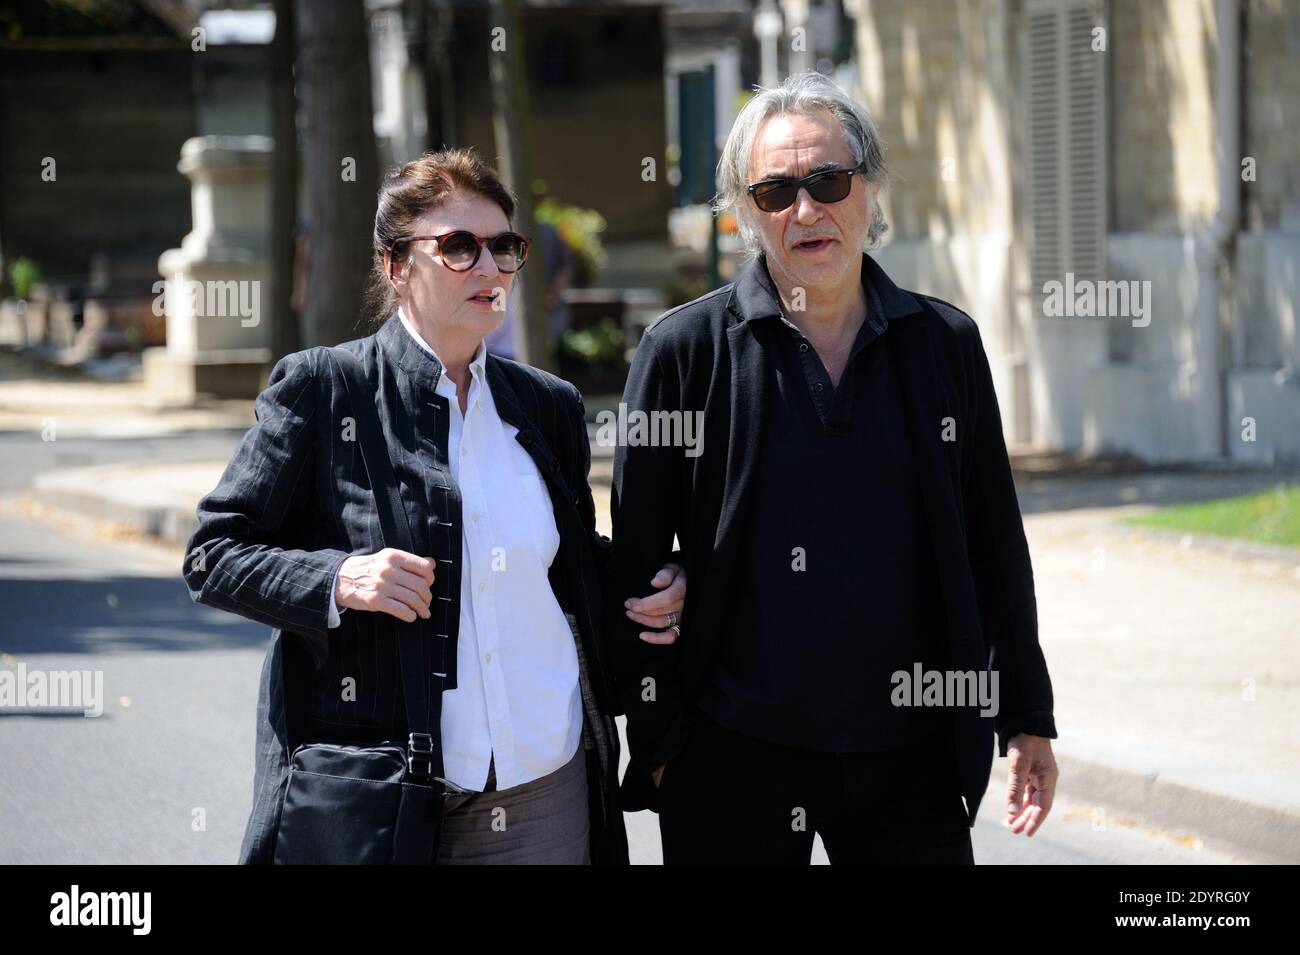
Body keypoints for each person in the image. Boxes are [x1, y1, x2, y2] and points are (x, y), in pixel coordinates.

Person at [184, 146, 685, 865]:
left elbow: (570, 566)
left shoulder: (548, 406)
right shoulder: (325, 391)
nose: (489, 268)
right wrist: (337, 580)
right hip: (377, 793)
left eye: (504, 247)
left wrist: (658, 586)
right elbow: (215, 553)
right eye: (458, 246)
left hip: (540, 784)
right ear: (396, 266)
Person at [611, 72, 1059, 865]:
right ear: (746, 211)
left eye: (828, 181)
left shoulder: (942, 344)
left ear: (871, 188)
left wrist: (1026, 713)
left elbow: (996, 542)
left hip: (910, 753)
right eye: (776, 190)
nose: (806, 210)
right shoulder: (681, 354)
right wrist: (657, 742)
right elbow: (639, 572)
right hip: (729, 752)